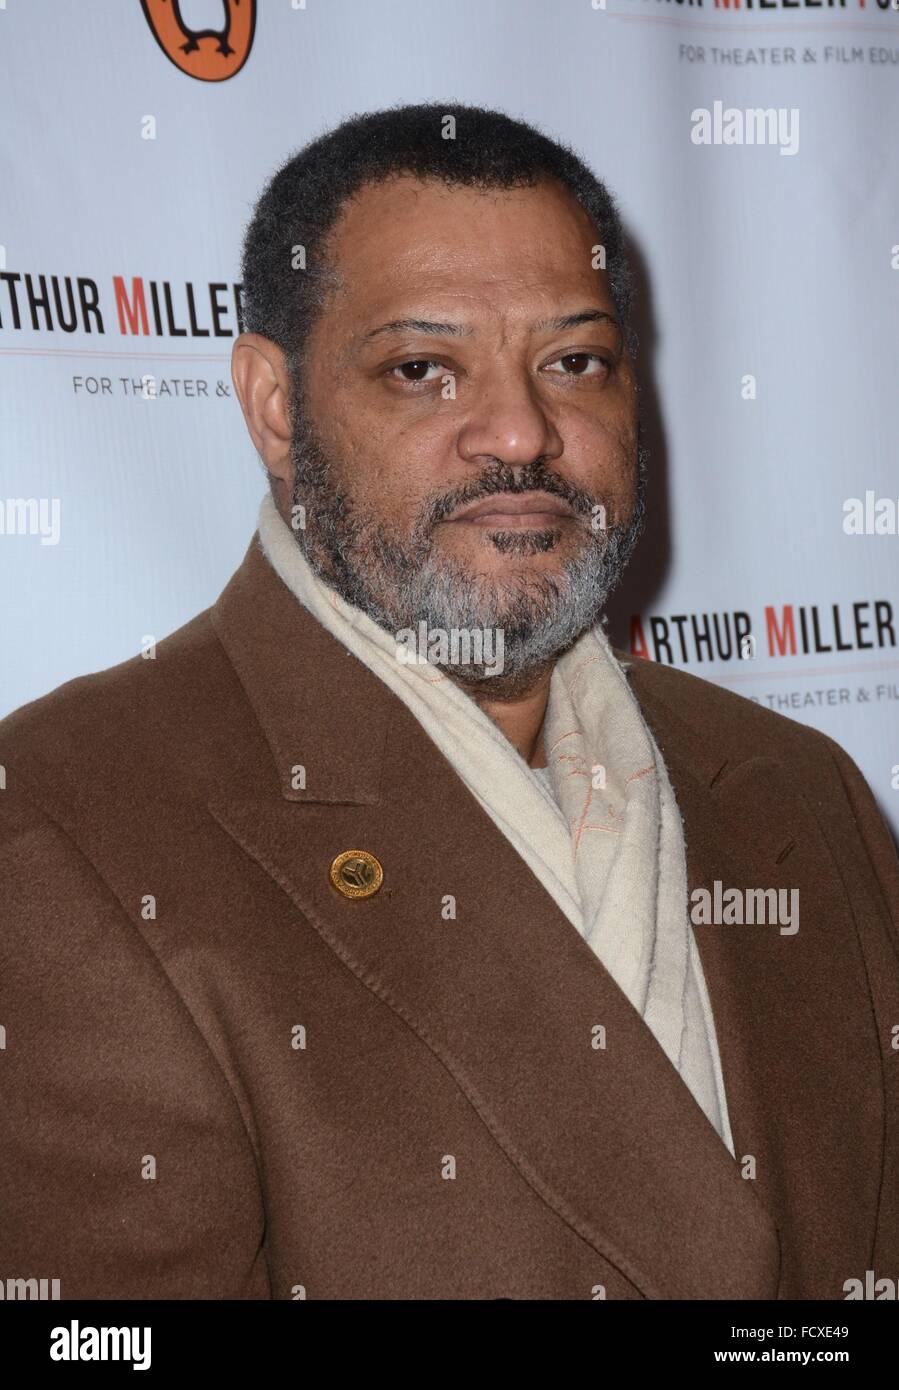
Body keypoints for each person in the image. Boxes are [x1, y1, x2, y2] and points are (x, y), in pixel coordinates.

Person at [2, 103, 898, 1301]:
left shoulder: (795, 785)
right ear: (275, 406)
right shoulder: (69, 830)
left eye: (572, 360)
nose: (522, 430)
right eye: (423, 370)